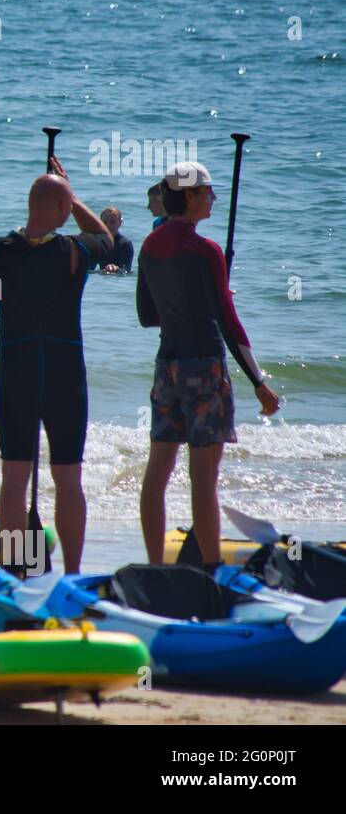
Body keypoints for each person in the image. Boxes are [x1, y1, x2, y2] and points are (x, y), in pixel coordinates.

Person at [0, 156, 113, 575]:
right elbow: (107, 239)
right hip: (64, 373)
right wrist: (74, 193)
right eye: (67, 205)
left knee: (14, 477)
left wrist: (11, 291)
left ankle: (16, 571)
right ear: (61, 209)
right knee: (69, 478)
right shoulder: (74, 250)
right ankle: (71, 575)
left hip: (17, 369)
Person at [136, 161, 279, 567]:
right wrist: (258, 381)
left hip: (168, 367)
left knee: (157, 473)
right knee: (203, 481)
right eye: (208, 192)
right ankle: (213, 574)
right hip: (205, 369)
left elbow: (148, 315)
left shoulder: (150, 246)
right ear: (192, 196)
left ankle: (156, 569)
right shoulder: (206, 250)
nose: (213, 198)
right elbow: (229, 323)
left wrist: (193, 298)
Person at [95, 207, 134, 273]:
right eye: (105, 222)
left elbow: (126, 270)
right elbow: (90, 268)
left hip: (118, 281)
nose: (108, 225)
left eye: (113, 222)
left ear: (120, 223)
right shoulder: (99, 243)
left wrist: (116, 268)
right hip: (100, 281)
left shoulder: (125, 244)